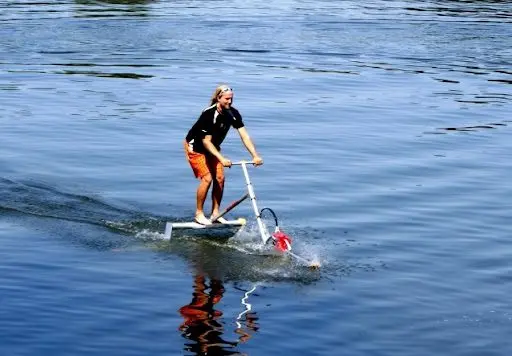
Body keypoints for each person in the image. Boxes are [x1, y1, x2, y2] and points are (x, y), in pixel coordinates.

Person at [184, 84, 263, 225]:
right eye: (227, 99)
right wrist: (221, 158)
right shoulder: (208, 114)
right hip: (196, 147)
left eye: (231, 99)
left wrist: (255, 155)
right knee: (207, 178)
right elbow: (206, 142)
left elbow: (244, 136)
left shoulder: (233, 113)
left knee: (219, 178)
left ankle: (216, 214)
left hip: (213, 147)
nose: (230, 102)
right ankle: (199, 214)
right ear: (218, 98)